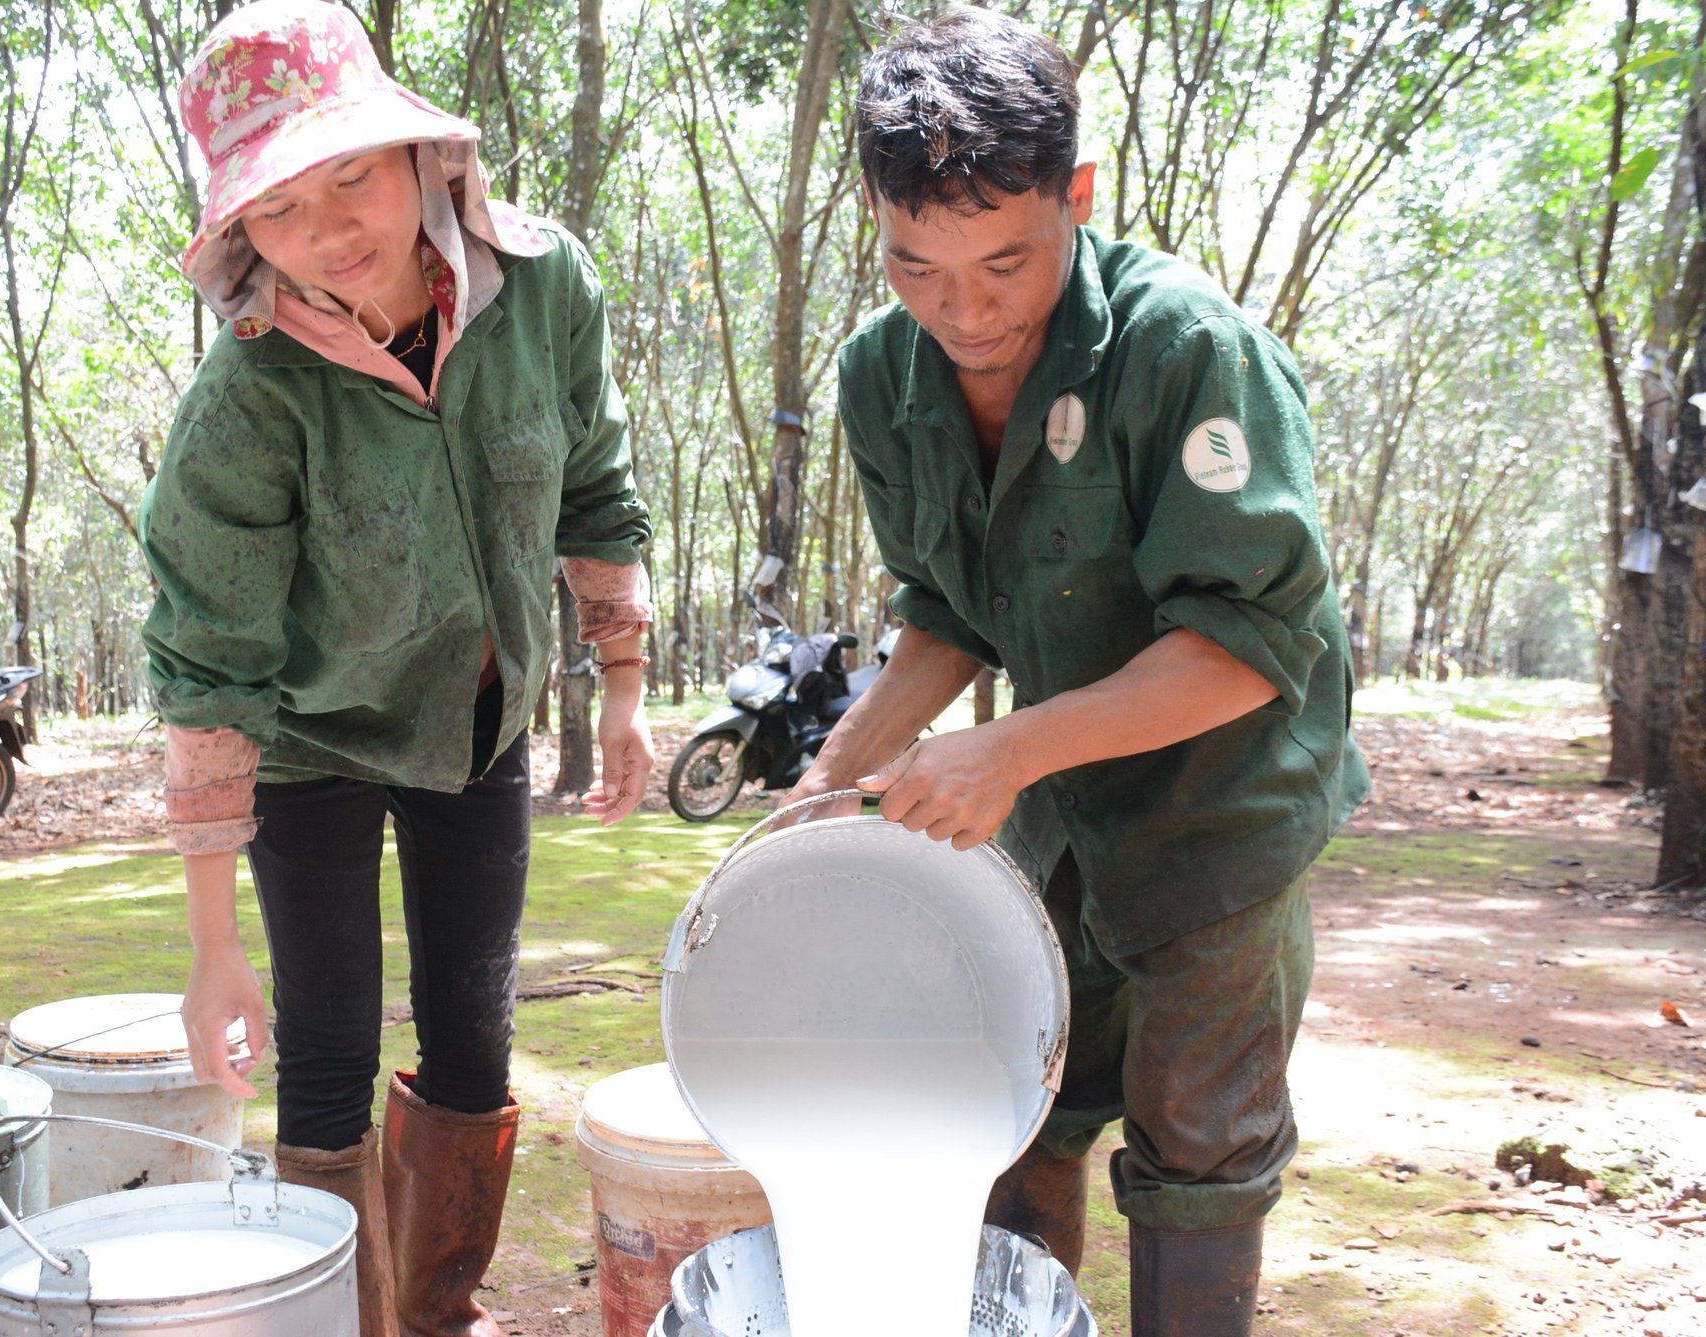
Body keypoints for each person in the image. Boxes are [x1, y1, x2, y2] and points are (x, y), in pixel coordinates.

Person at [784, 10, 1371, 1335]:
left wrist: (1004, 750)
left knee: (1198, 1149)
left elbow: (1249, 646)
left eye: (1006, 261)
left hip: (1224, 810)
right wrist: (838, 771)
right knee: (1005, 1109)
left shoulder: (1187, 353)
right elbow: (948, 607)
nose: (964, 311)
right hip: (1056, 815)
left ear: (1079, 197)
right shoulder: (885, 378)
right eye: (915, 266)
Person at [137, 4, 655, 1334]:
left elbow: (596, 488)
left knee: (475, 1039)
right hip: (310, 745)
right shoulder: (247, 404)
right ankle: (338, 1317)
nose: (329, 229)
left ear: (421, 154)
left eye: (351, 173)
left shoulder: (547, 290)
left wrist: (627, 686)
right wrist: (211, 951)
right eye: (281, 206)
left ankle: (434, 1308)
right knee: (324, 1053)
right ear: (240, 232)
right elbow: (210, 666)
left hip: (477, 727)